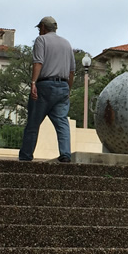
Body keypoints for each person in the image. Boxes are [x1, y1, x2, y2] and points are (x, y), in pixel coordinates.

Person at [19, 16, 76, 163]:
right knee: (62, 122)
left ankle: (26, 156)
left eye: (39, 28)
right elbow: (71, 71)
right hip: (63, 86)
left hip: (45, 86)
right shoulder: (66, 44)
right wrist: (68, 89)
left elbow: (38, 62)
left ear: (44, 27)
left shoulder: (41, 40)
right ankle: (65, 154)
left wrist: (33, 82)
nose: (39, 31)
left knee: (33, 122)